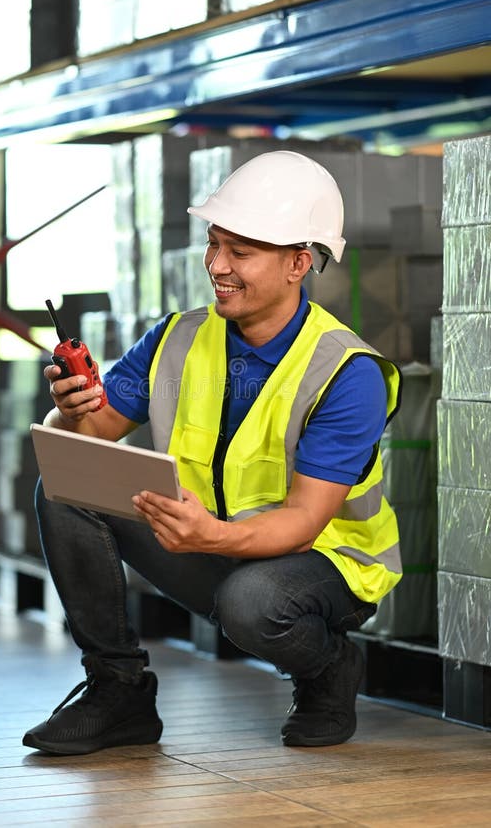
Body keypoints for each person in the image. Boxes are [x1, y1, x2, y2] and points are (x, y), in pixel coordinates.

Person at [23, 150, 402, 756]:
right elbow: (84, 445)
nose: (216, 266)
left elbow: (305, 523)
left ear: (298, 263)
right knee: (64, 487)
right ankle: (118, 689)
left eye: (240, 252)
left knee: (251, 602)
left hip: (324, 568)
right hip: (210, 539)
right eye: (213, 244)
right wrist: (70, 411)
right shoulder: (176, 338)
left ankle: (328, 667)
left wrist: (209, 537)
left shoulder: (346, 372)